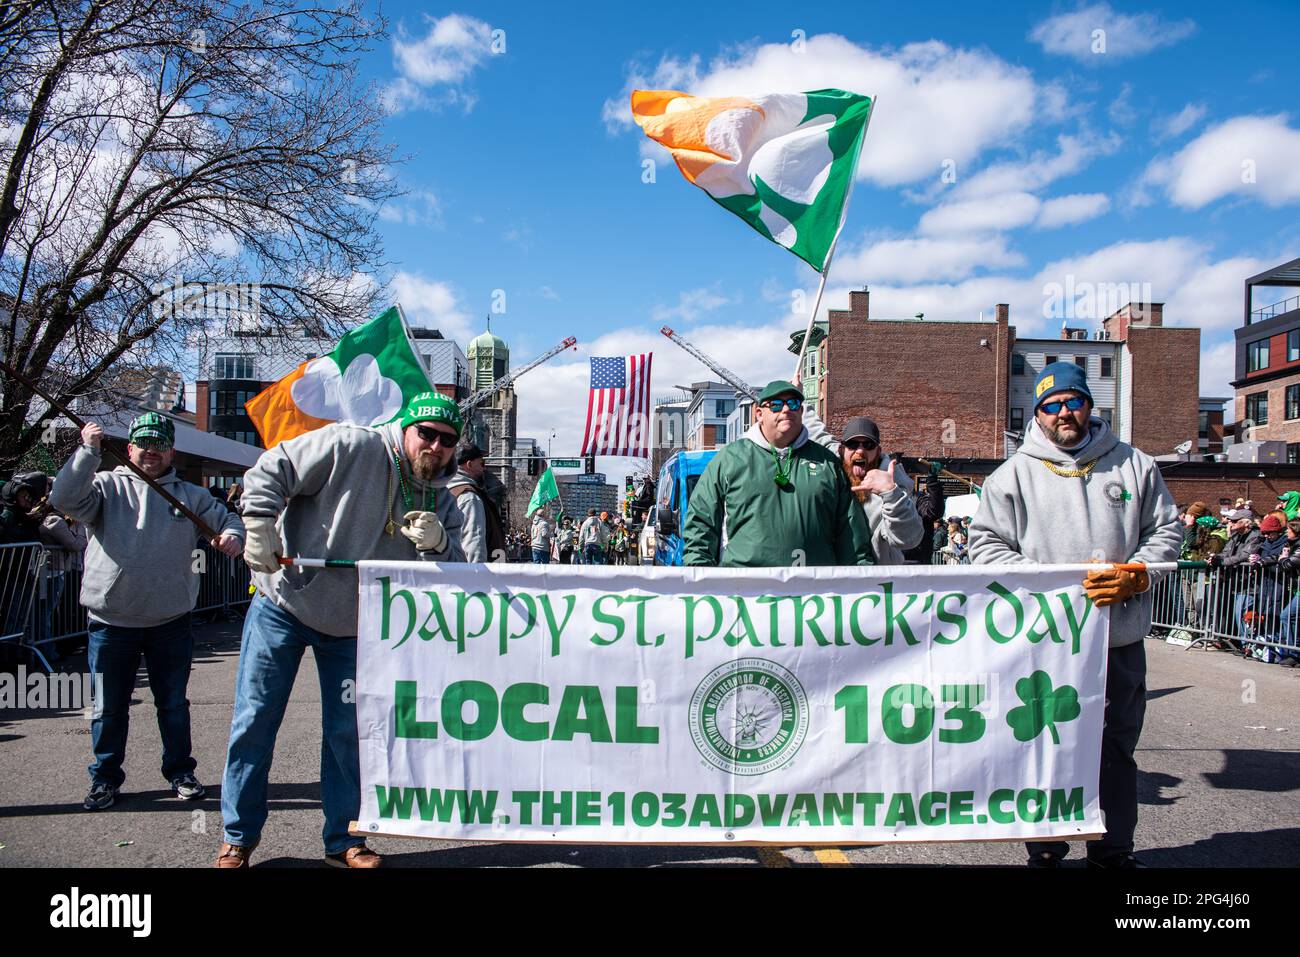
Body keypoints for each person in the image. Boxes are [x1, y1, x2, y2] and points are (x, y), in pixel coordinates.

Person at [218, 391, 466, 869]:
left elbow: (460, 569)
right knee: (255, 721)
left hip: (356, 627)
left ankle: (344, 839)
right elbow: (273, 468)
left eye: (447, 440)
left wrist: (439, 545)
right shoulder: (350, 445)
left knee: (347, 734)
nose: (435, 446)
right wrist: (259, 523)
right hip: (283, 604)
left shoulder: (441, 493)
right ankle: (237, 836)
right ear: (406, 429)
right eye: (427, 434)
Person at [968, 361, 1180, 869]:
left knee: (1115, 748)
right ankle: (1045, 845)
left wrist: (1139, 572)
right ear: (1037, 416)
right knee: (1044, 744)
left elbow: (1167, 532)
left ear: (1090, 405)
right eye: (1051, 405)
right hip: (1046, 641)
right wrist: (1041, 582)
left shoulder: (1135, 465)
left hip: (1118, 638)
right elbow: (985, 544)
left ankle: (1112, 848)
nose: (1063, 412)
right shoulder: (1012, 475)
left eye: (1072, 401)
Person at [49, 412, 245, 811]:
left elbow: (227, 520)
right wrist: (87, 451)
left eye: (160, 444)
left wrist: (232, 536)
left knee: (172, 704)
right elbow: (64, 499)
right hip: (110, 623)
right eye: (143, 443)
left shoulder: (190, 496)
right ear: (130, 446)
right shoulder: (104, 486)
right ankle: (104, 778)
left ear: (172, 450)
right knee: (108, 707)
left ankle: (180, 771)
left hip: (170, 622)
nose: (151, 451)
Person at [684, 380, 873, 567]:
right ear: (759, 413)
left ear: (801, 411)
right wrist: (700, 576)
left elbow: (851, 532)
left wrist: (861, 577)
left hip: (813, 590)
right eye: (775, 405)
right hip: (744, 588)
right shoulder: (729, 459)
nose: (785, 409)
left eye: (793, 403)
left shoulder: (827, 463)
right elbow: (701, 520)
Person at [803, 410, 924, 564]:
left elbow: (909, 539)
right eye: (853, 444)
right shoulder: (834, 463)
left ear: (878, 451)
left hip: (874, 580)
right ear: (842, 449)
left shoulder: (892, 484)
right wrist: (799, 398)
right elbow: (816, 432)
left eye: (868, 445)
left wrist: (891, 493)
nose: (860, 451)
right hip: (831, 575)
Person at [446, 443, 506, 563]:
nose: (484, 469)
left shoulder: (443, 492)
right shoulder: (469, 497)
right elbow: (474, 545)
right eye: (481, 464)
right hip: (473, 576)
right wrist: (477, 578)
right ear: (469, 464)